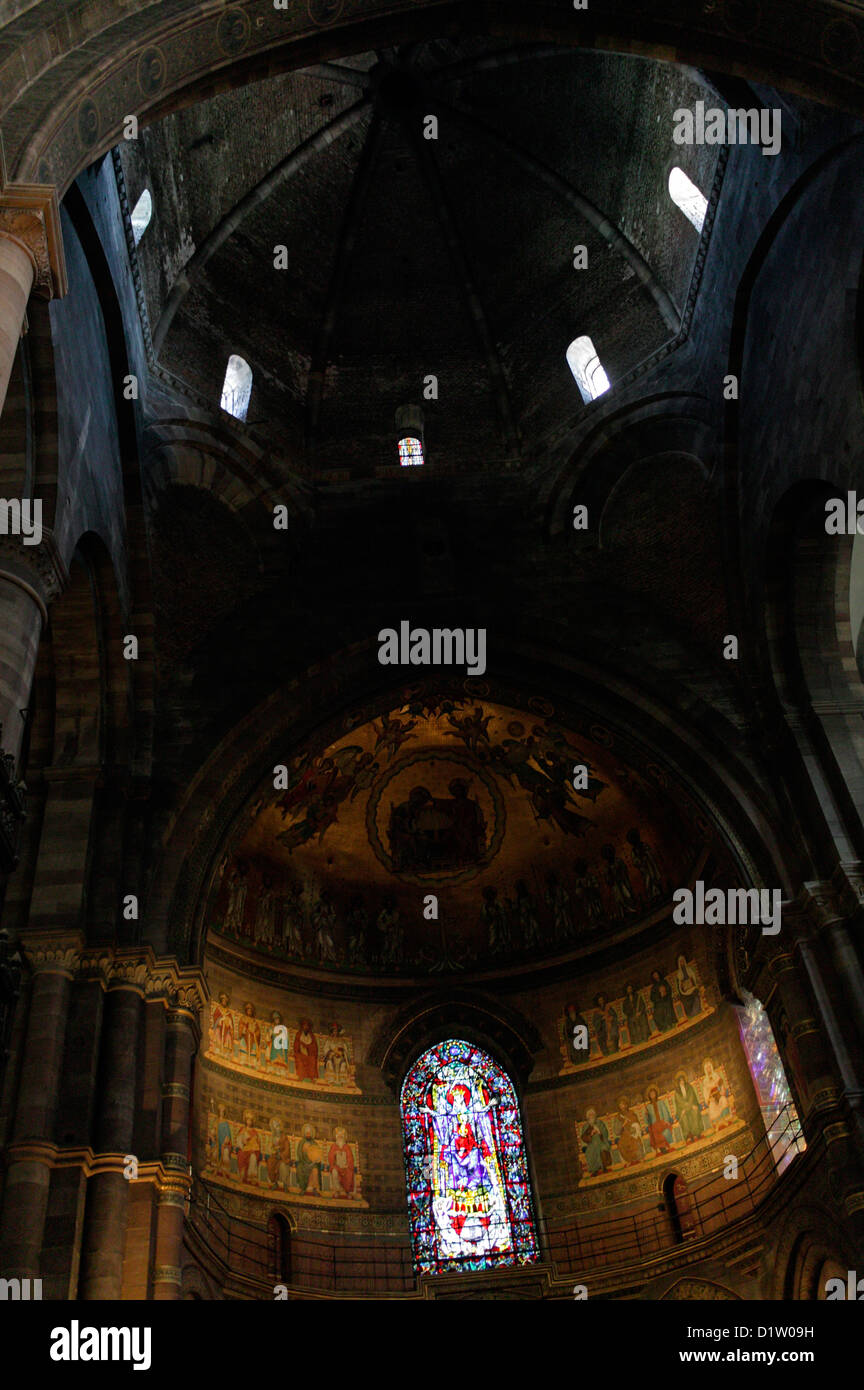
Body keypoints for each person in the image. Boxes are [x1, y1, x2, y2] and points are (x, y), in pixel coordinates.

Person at [673, 1072, 704, 1142]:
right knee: (683, 1117)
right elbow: (680, 1102)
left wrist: (691, 1106)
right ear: (678, 1082)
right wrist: (685, 1109)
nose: (682, 1082)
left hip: (692, 1106)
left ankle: (696, 1133)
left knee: (695, 1112)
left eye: (682, 1080)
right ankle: (689, 1135)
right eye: (680, 1081)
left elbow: (692, 1097)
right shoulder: (677, 1092)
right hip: (682, 1110)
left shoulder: (689, 1087)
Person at [580, 1108, 612, 1175]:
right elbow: (583, 1137)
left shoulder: (600, 1123)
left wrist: (599, 1132)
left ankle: (604, 1168)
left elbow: (605, 1133)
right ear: (587, 1117)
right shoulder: (586, 1126)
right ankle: (595, 1170)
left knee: (603, 1148)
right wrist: (591, 1134)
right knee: (590, 1152)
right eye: (589, 1115)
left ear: (595, 1115)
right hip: (591, 1143)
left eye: (592, 1114)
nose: (591, 1116)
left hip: (601, 1141)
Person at [644, 1085, 674, 1155]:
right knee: (655, 1134)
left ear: (656, 1094)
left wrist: (666, 1121)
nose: (652, 1095)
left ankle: (666, 1146)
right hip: (654, 1124)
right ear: (649, 1096)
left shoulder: (660, 1102)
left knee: (665, 1131)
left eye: (653, 1093)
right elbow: (647, 1121)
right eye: (651, 1094)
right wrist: (646, 1115)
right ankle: (662, 1148)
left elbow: (665, 1111)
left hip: (662, 1121)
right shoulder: (648, 1106)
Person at [328, 1127, 356, 1198]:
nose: (340, 1137)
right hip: (336, 1166)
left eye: (341, 1136)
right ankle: (337, 1191)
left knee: (349, 1173)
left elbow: (350, 1158)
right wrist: (334, 1153)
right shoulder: (334, 1146)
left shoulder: (347, 1147)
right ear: (336, 1137)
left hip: (346, 1167)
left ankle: (347, 1192)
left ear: (344, 1137)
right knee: (334, 1172)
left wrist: (347, 1165)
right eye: (338, 1135)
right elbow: (330, 1157)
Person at [614, 1097, 643, 1166]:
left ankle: (638, 1158)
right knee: (621, 1144)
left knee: (635, 1141)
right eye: (620, 1105)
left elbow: (637, 1122)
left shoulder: (631, 1113)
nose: (622, 1106)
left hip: (633, 1132)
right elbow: (616, 1131)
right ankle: (629, 1160)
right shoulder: (618, 1117)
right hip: (624, 1134)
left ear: (626, 1105)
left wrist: (634, 1128)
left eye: (623, 1104)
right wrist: (623, 1124)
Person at [676, 955, 702, 1019]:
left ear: (684, 961)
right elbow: (679, 984)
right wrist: (683, 986)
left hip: (692, 987)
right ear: (679, 963)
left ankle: (696, 1011)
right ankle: (691, 1014)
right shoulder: (679, 973)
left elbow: (693, 977)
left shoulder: (689, 969)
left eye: (682, 961)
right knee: (685, 1000)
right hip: (685, 990)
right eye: (680, 962)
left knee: (695, 995)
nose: (682, 963)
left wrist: (692, 983)